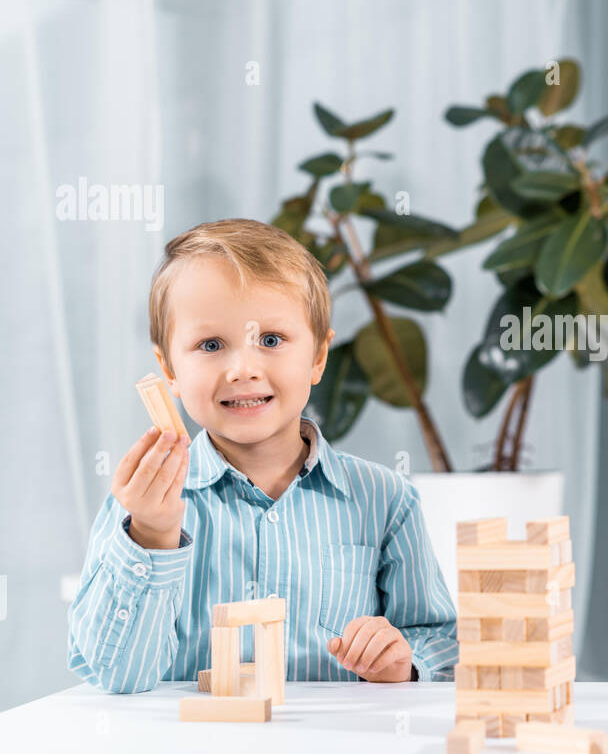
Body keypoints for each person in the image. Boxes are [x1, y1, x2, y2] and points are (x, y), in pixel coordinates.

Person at [68, 218, 457, 691]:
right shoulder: (141, 507)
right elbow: (117, 676)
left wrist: (404, 662)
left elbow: (442, 643)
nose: (243, 369)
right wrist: (151, 535)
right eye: (211, 345)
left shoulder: (385, 499)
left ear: (318, 357)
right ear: (169, 370)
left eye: (271, 340)